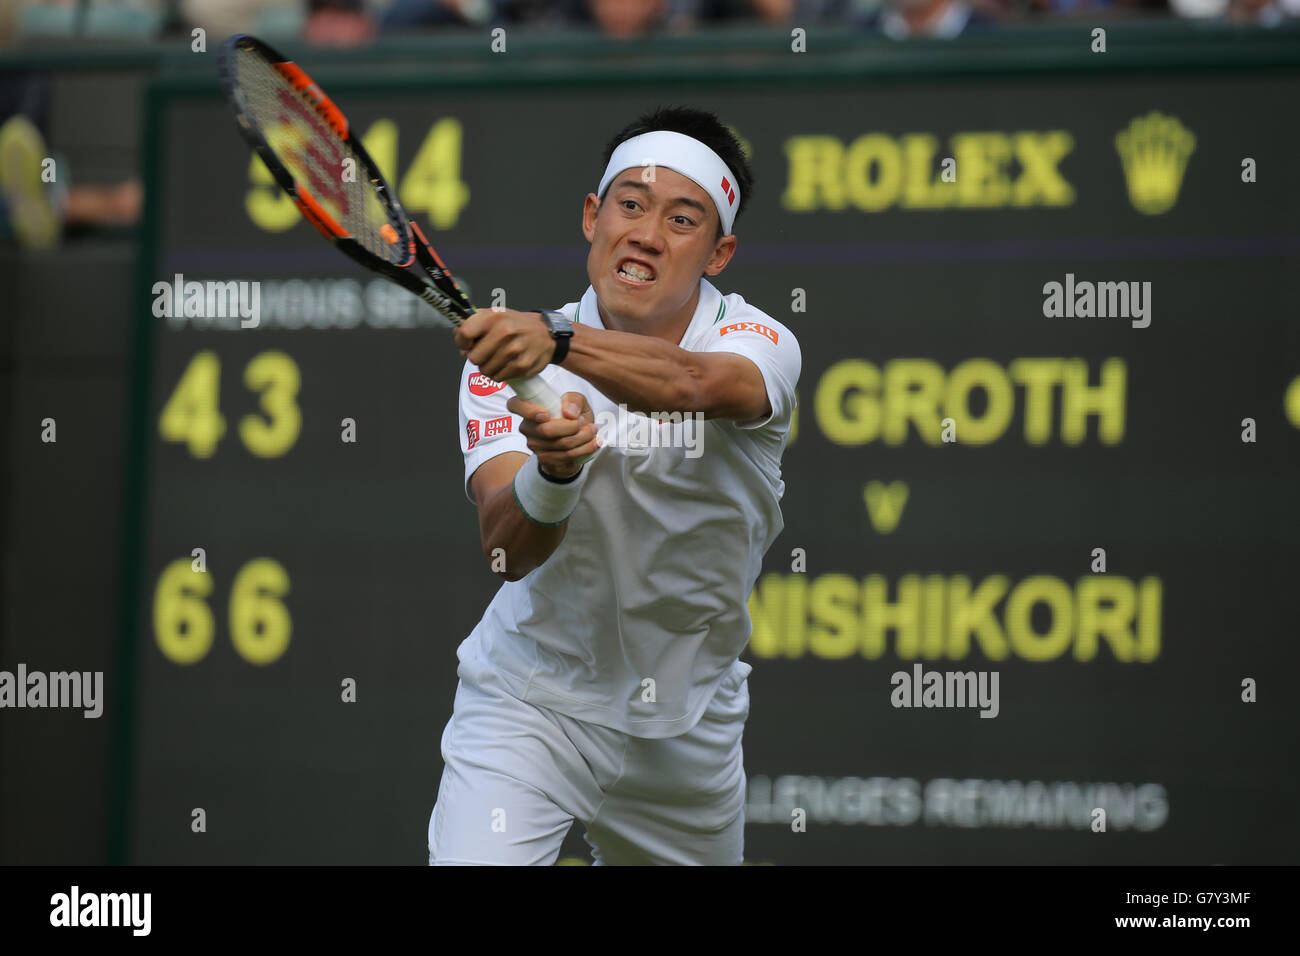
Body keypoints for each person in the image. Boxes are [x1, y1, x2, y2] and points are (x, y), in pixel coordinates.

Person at [428, 105, 800, 865]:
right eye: (630, 204)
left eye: (682, 219)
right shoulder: (503, 364)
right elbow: (508, 551)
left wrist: (557, 341)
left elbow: (691, 383)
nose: (646, 233)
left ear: (719, 252)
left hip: (688, 738)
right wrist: (556, 475)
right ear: (594, 216)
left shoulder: (759, 342)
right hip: (532, 707)